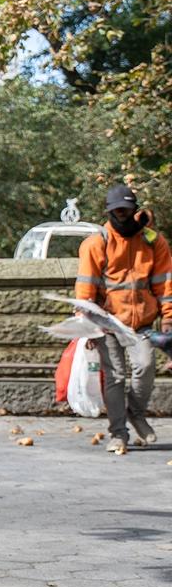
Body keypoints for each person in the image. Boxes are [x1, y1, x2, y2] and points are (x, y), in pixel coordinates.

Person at [76, 182, 172, 454]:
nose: (121, 215)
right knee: (115, 376)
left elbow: (166, 284)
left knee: (145, 367)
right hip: (107, 322)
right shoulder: (97, 243)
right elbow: (85, 287)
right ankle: (118, 433)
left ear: (134, 210)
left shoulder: (153, 241)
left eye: (125, 210)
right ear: (108, 212)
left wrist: (168, 319)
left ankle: (135, 413)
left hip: (141, 322)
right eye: (116, 211)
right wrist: (86, 324)